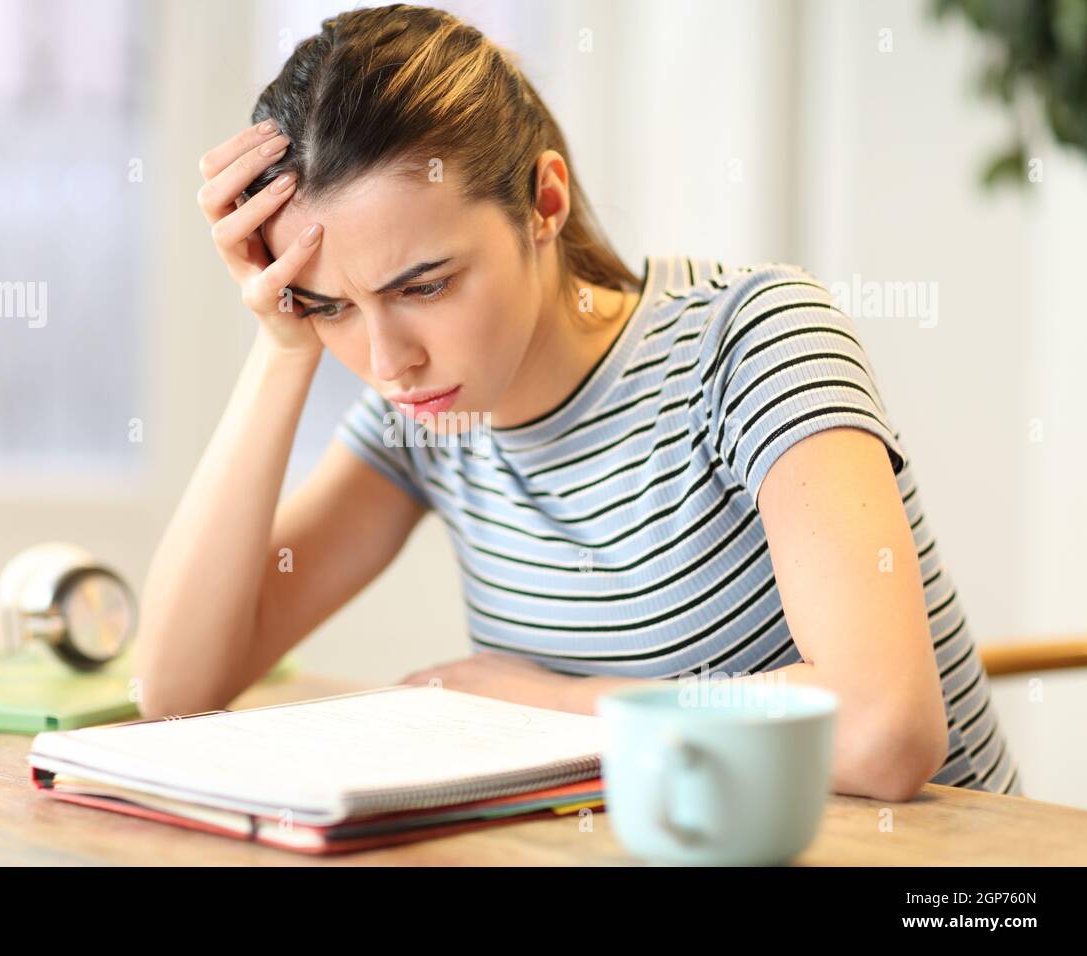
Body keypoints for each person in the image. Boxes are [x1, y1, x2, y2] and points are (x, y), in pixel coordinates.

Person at [132, 3, 1020, 802]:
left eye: (425, 286)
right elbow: (177, 689)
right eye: (331, 305)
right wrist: (282, 344)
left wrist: (543, 709)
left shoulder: (750, 340)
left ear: (543, 202)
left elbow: (882, 731)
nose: (386, 360)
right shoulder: (433, 413)